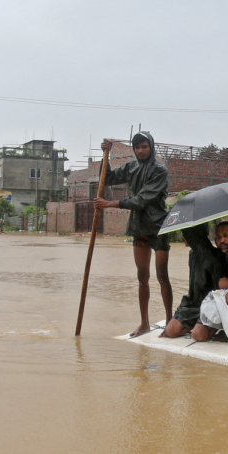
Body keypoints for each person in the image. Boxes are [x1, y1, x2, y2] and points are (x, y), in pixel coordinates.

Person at [94, 132, 173, 337]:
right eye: (137, 147)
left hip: (158, 226)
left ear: (151, 147)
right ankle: (144, 323)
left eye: (144, 146)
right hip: (139, 227)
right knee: (142, 277)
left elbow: (142, 199)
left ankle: (170, 321)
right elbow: (108, 178)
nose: (141, 151)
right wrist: (106, 155)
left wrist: (110, 204)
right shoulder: (131, 167)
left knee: (162, 275)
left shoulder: (160, 171)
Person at [160, 223, 228, 340]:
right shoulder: (192, 254)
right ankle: (197, 323)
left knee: (198, 335)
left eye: (185, 234)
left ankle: (212, 327)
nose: (184, 237)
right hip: (193, 303)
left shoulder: (217, 257)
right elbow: (193, 286)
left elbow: (220, 292)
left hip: (211, 304)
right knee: (171, 331)